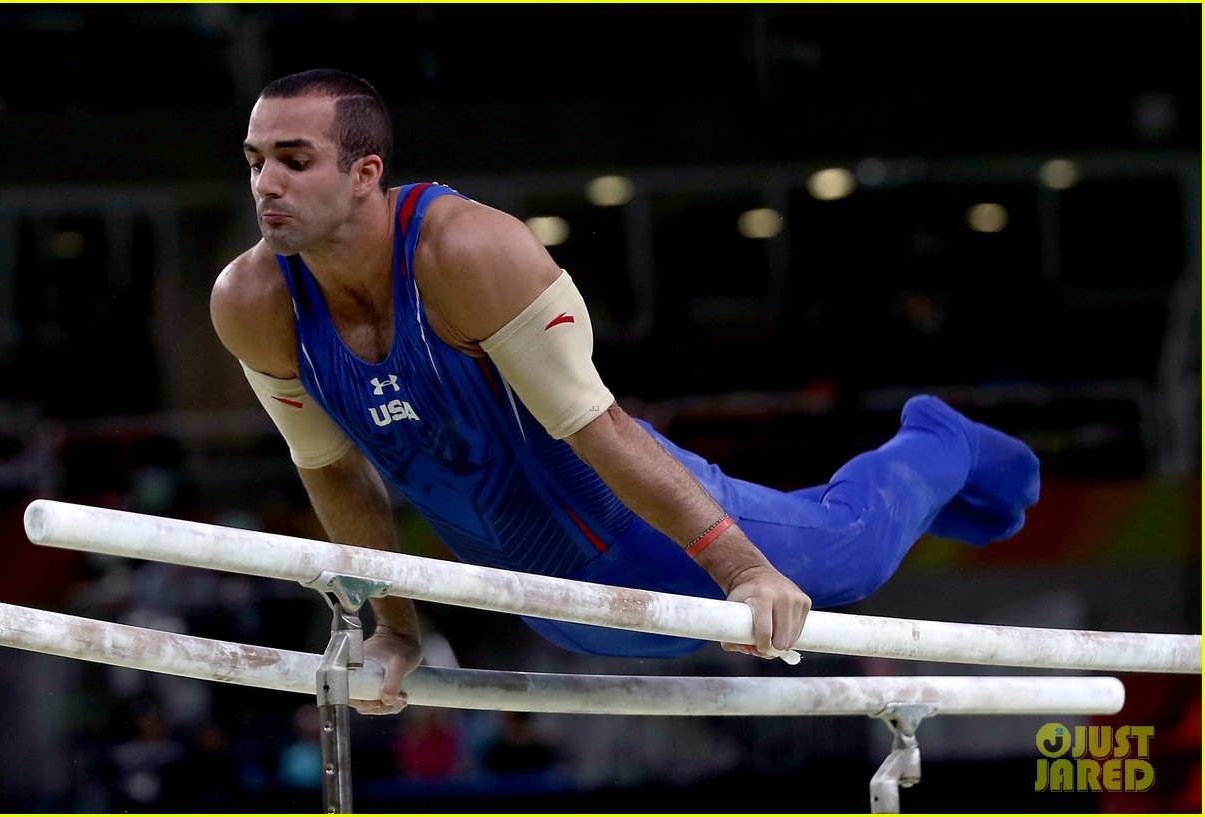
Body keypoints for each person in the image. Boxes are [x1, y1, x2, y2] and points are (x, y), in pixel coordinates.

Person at [210, 68, 1040, 716]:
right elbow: (333, 471)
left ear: (365, 173)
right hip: (547, 599)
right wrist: (393, 629)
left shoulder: (468, 253)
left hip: (655, 538)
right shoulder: (251, 303)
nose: (265, 185)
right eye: (254, 162)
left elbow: (596, 428)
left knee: (852, 551)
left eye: (293, 160)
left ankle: (941, 439)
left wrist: (743, 570)